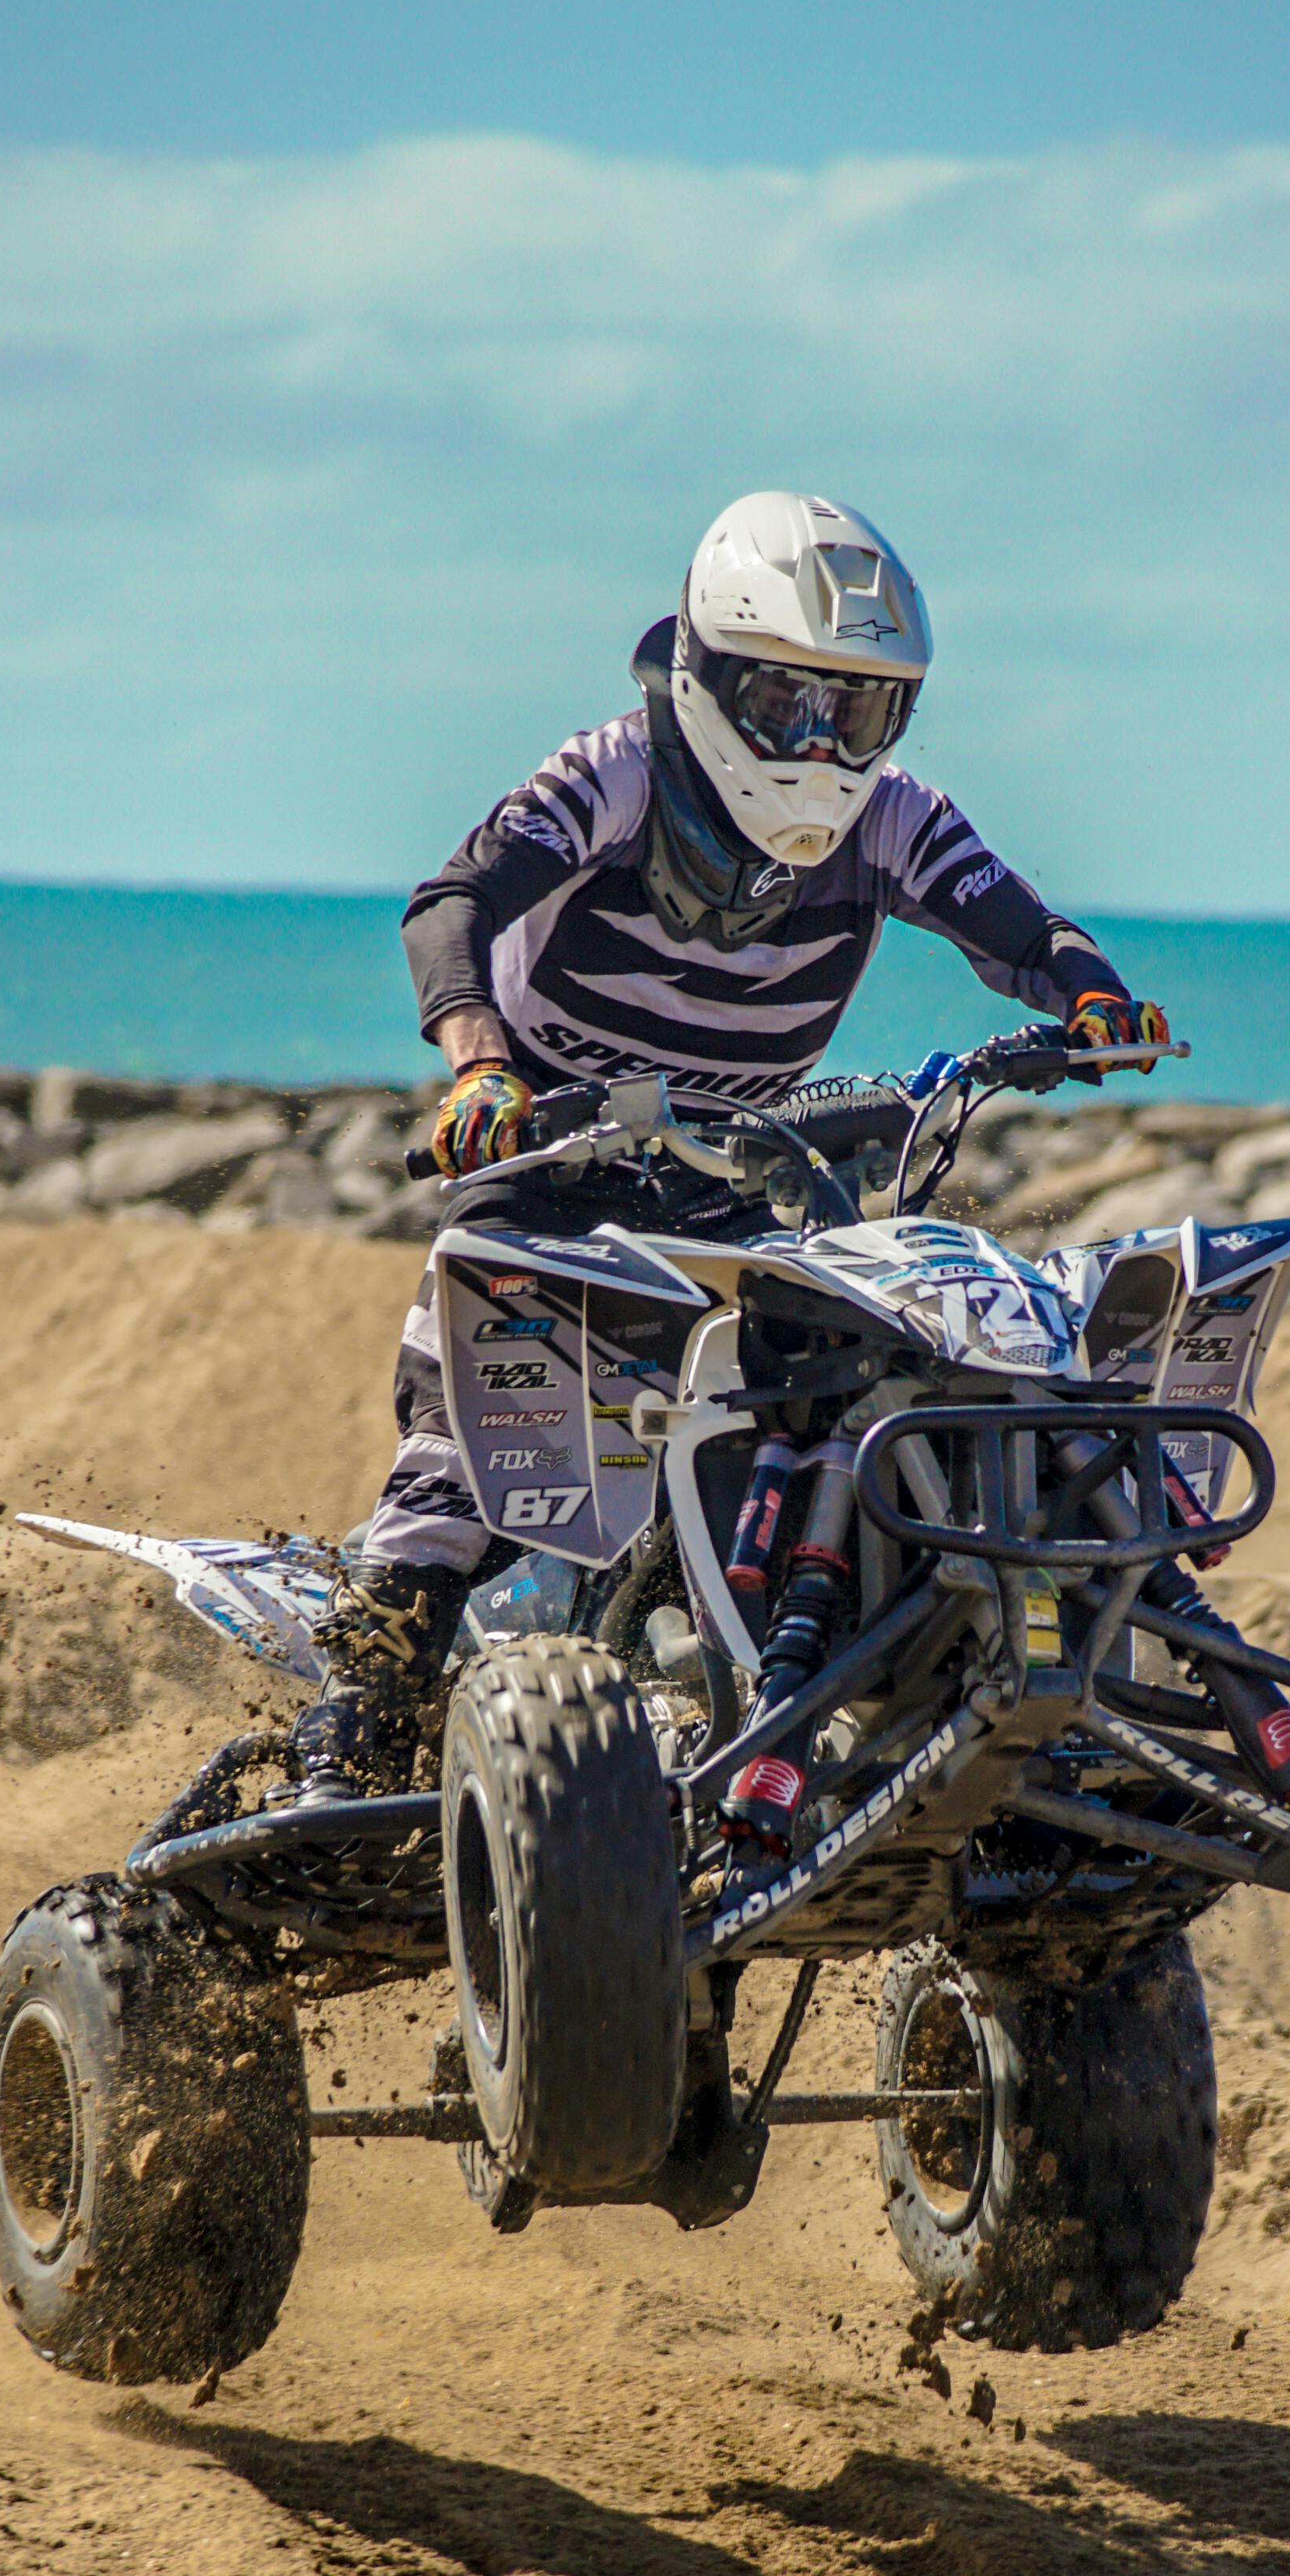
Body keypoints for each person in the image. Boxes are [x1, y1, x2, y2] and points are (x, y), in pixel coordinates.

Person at [290, 490, 1170, 1797]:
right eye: (788, 703)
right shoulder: (617, 776)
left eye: (857, 710)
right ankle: (347, 1747)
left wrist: (1091, 999)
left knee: (884, 1387)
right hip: (546, 1179)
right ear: (704, 671)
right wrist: (479, 1064)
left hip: (744, 1195)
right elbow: (452, 903)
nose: (821, 744)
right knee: (467, 1460)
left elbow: (1026, 935)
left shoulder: (893, 820)